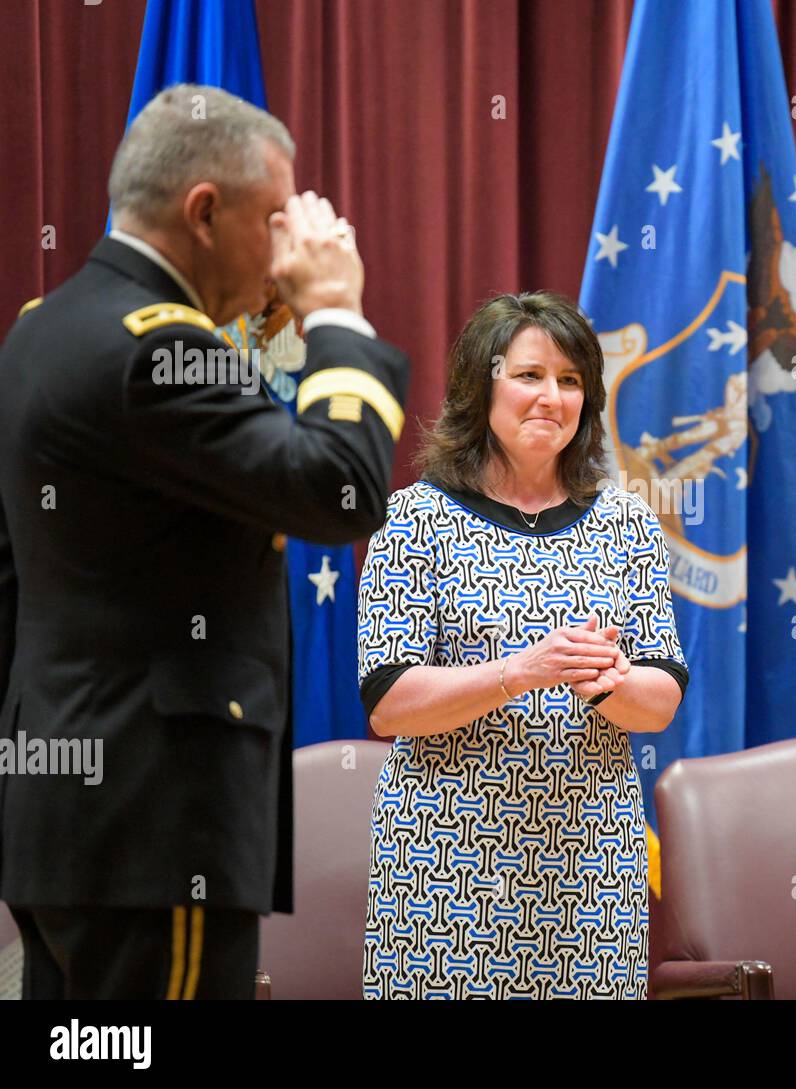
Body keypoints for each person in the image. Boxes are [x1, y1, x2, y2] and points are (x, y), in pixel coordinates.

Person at [0, 84, 409, 999]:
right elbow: (339, 488)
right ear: (204, 210)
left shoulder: (47, 329)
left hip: (64, 815)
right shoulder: (154, 350)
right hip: (159, 823)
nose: (287, 250)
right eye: (275, 220)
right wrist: (337, 316)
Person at [357, 291, 687, 999]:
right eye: (530, 375)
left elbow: (659, 702)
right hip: (446, 871)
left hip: (591, 870)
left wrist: (605, 682)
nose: (552, 397)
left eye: (571, 381)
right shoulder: (416, 520)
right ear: (483, 385)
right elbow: (389, 705)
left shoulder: (626, 524)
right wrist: (519, 671)